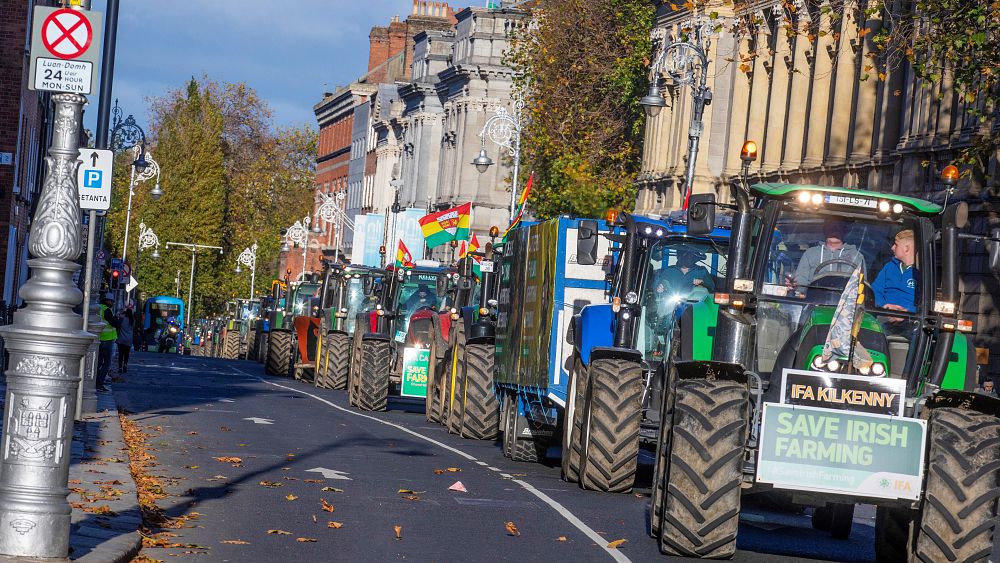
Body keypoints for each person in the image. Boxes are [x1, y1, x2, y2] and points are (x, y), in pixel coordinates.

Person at [787, 219, 864, 296]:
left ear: (845, 230)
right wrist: (795, 286)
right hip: (813, 301)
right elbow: (801, 282)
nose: (834, 229)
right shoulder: (810, 254)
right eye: (831, 226)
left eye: (838, 226)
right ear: (824, 229)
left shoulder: (857, 257)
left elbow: (862, 287)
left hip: (846, 304)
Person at [871, 229, 916, 313]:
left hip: (911, 319)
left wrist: (907, 311)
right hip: (884, 315)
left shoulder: (921, 273)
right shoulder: (890, 266)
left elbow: (925, 302)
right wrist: (884, 306)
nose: (892, 248)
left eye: (896, 244)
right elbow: (875, 290)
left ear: (906, 248)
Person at [96, 295, 120, 392]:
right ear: (108, 301)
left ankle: (95, 381)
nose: (113, 303)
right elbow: (115, 323)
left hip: (99, 338)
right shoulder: (106, 310)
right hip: (107, 339)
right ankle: (99, 383)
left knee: (98, 363)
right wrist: (118, 320)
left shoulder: (98, 307)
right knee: (106, 363)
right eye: (112, 301)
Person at [116, 308, 134, 374]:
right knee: (126, 354)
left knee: (121, 354)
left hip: (121, 339)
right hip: (129, 340)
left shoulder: (122, 319)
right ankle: (125, 365)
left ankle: (120, 367)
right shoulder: (132, 321)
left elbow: (117, 324)